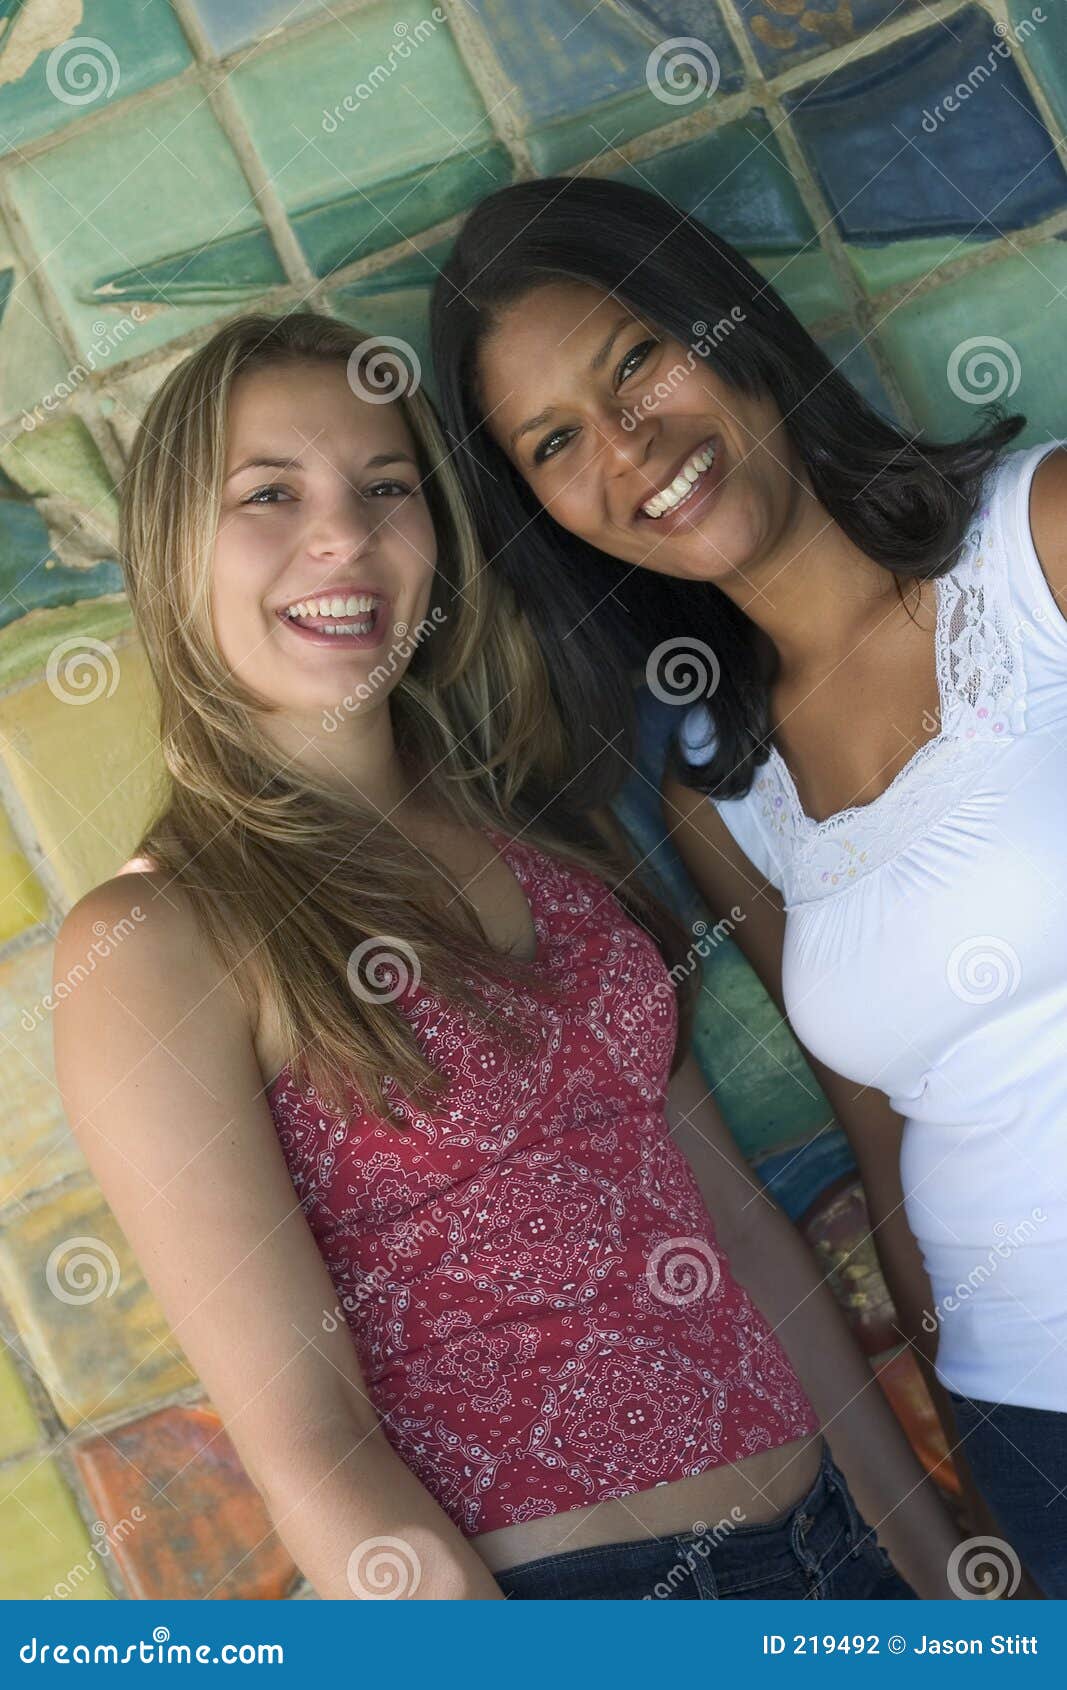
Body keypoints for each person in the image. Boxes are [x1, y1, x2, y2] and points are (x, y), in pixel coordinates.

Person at [54, 308, 951, 1602]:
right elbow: (308, 1439)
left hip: (824, 1560)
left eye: (385, 488)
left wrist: (925, 1552)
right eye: (270, 492)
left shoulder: (549, 843)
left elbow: (740, 1230)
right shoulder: (157, 935)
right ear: (169, 549)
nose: (343, 537)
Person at [428, 171, 1067, 1598]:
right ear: (545, 509)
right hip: (1027, 1410)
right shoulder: (718, 782)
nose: (630, 445)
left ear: (733, 323)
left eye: (637, 360)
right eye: (555, 440)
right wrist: (963, 1434)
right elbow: (875, 1134)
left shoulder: (1043, 544)